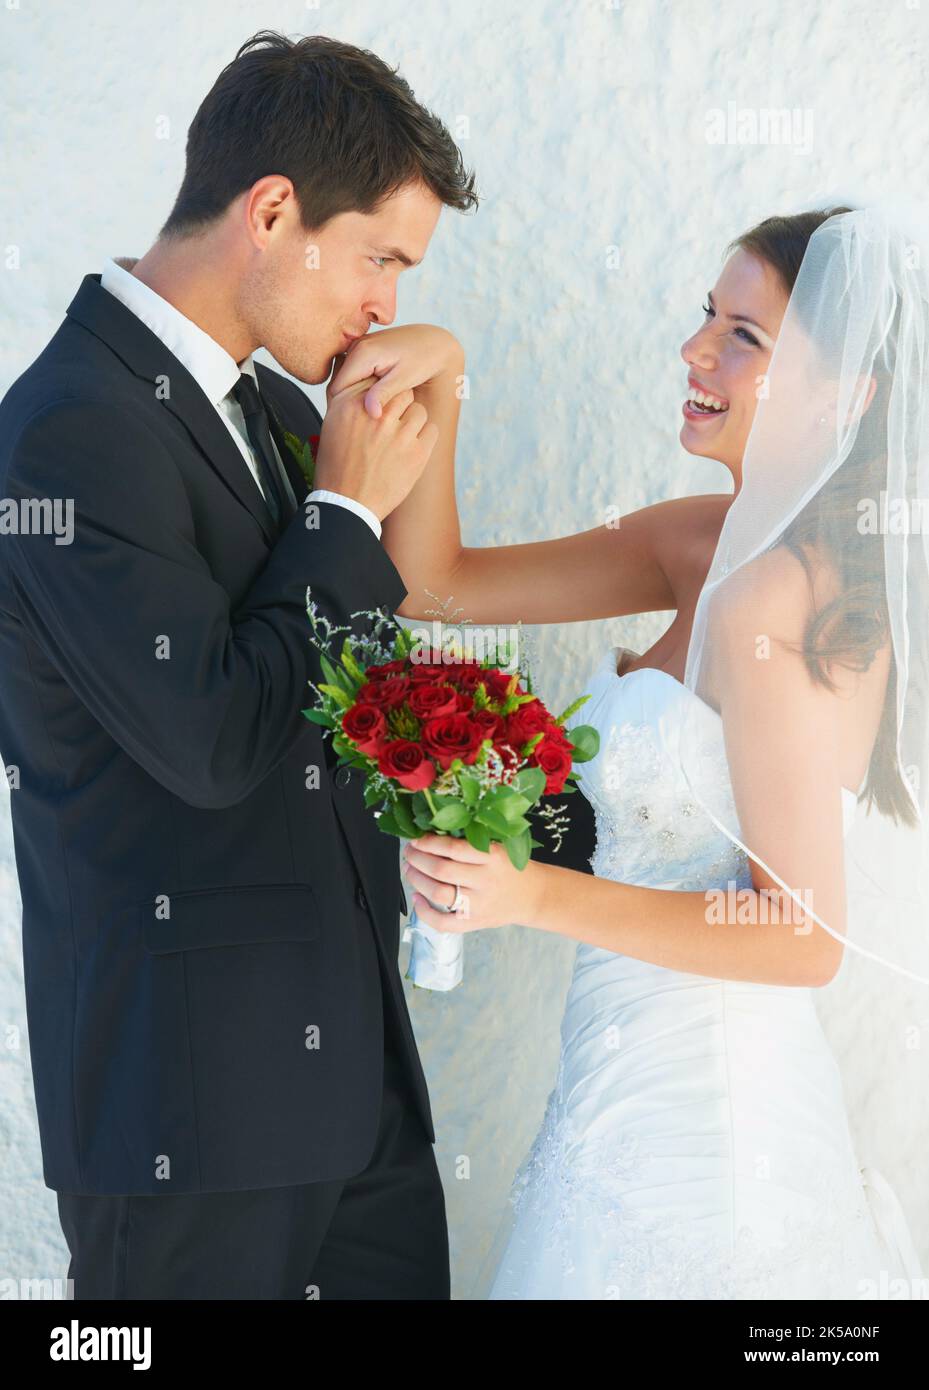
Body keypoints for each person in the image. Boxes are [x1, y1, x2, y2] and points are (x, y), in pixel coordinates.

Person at [336, 203, 929, 1297]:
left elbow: (800, 935)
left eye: (741, 337)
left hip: (706, 1133)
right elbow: (439, 583)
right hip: (612, 1101)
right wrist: (443, 373)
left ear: (846, 395)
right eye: (706, 316)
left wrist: (526, 896)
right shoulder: (700, 539)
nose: (692, 350)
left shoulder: (780, 594)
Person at [0, 30, 479, 1299]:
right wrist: (336, 520)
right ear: (273, 212)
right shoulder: (62, 435)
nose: (386, 300)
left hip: (358, 1105)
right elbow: (212, 739)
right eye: (380, 257)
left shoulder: (274, 411)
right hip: (189, 1132)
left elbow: (352, 690)